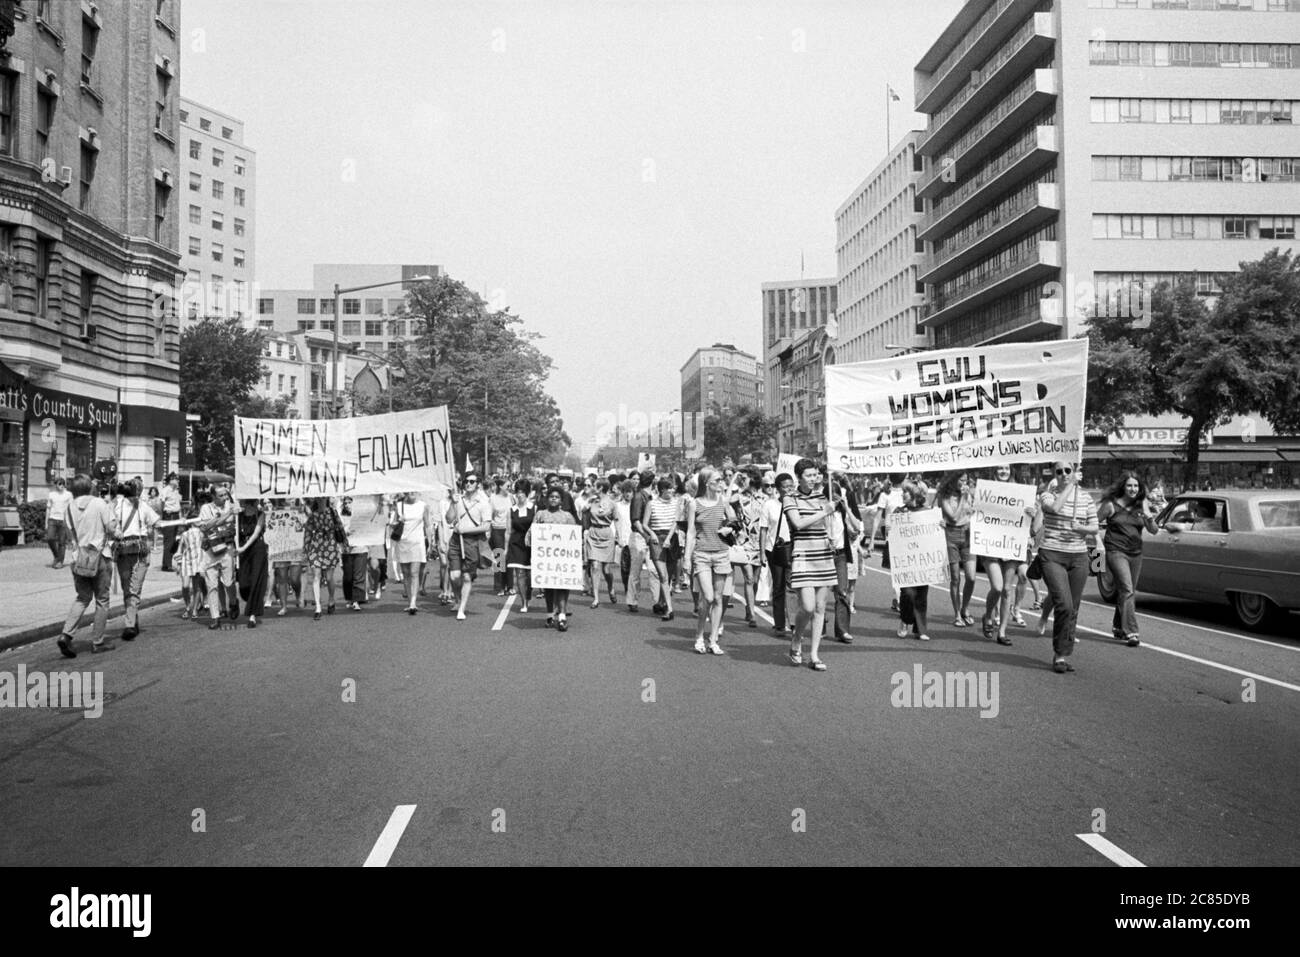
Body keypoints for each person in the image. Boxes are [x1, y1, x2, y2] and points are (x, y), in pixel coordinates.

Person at [1038, 460, 1100, 673]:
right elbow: (1054, 508)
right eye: (1059, 471)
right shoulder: (1048, 493)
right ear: (1054, 474)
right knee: (1063, 603)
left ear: (1073, 471)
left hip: (1078, 556)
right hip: (1052, 553)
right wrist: (1071, 485)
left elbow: (1095, 527)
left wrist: (1081, 528)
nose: (1064, 474)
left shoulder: (1085, 497)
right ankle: (1059, 647)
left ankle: (1061, 655)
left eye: (1068, 471)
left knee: (1073, 607)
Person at [783, 459, 838, 672]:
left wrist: (831, 535)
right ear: (799, 477)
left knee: (820, 607)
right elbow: (798, 523)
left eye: (815, 475)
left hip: (823, 554)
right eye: (808, 475)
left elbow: (826, 523)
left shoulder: (822, 496)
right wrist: (824, 511)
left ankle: (814, 654)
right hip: (803, 555)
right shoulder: (790, 498)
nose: (813, 479)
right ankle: (797, 639)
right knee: (806, 606)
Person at [57, 474, 120, 656]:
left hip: (79, 557)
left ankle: (66, 635)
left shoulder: (69, 507)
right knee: (102, 599)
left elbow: (69, 534)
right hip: (100, 556)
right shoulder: (100, 503)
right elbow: (111, 528)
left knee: (82, 597)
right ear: (89, 487)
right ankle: (97, 642)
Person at [1097, 471, 1161, 647]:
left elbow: (1154, 530)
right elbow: (1093, 523)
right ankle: (1132, 631)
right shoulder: (1111, 505)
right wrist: (1098, 545)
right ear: (1122, 487)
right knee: (1127, 589)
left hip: (1136, 553)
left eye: (1136, 486)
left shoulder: (1142, 504)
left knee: (1127, 591)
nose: (1133, 489)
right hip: (1115, 551)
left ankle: (1118, 626)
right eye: (1129, 485)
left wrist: (1148, 517)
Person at [684, 467, 733, 655]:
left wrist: (730, 528)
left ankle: (713, 640)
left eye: (721, 480)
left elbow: (735, 521)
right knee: (708, 597)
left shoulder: (724, 501)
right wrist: (687, 558)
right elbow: (690, 531)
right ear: (706, 483)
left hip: (721, 553)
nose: (721, 483)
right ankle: (698, 635)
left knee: (719, 598)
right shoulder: (695, 504)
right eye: (717, 480)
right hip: (702, 554)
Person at [112, 479, 159, 642]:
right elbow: (110, 525)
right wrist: (115, 532)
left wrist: (182, 522)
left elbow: (156, 522)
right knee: (127, 588)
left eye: (139, 492)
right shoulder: (117, 506)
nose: (137, 495)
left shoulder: (143, 506)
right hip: (124, 551)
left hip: (141, 551)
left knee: (134, 588)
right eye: (135, 492)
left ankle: (129, 625)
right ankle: (133, 619)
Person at [446, 472, 492, 621]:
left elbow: (486, 526)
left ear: (478, 484)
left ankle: (461, 608)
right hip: (456, 540)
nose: (468, 484)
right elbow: (449, 519)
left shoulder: (484, 503)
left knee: (466, 577)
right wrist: (453, 504)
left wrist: (466, 530)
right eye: (466, 481)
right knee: (454, 576)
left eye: (472, 481)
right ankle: (457, 598)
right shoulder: (458, 500)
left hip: (472, 542)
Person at [893, 480, 934, 641]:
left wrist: (940, 525)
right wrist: (889, 528)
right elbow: (890, 530)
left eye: (906, 492)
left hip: (923, 560)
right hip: (906, 560)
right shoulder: (899, 512)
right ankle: (905, 618)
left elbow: (934, 534)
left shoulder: (927, 512)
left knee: (921, 595)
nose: (903, 494)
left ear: (915, 495)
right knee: (908, 593)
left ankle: (920, 629)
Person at [534, 487, 578, 631]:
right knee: (548, 587)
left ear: (561, 500)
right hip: (545, 558)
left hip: (562, 559)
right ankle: (549, 615)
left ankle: (562, 617)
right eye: (551, 496)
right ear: (547, 499)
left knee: (562, 587)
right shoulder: (540, 515)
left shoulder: (567, 517)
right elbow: (532, 533)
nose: (553, 499)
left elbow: (574, 538)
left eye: (557, 497)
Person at [938, 472, 978, 628]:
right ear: (953, 480)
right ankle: (956, 614)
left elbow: (977, 511)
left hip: (968, 536)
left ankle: (965, 608)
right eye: (961, 480)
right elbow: (954, 517)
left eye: (966, 480)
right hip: (951, 535)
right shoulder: (945, 497)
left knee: (971, 577)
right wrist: (963, 497)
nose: (964, 483)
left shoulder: (970, 494)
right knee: (955, 578)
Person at [760, 472, 795, 637]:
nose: (789, 489)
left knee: (793, 587)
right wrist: (761, 553)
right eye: (785, 487)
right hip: (775, 549)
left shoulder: (797, 503)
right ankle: (780, 624)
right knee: (779, 586)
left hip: (794, 548)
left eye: (791, 486)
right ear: (778, 488)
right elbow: (763, 529)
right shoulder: (769, 505)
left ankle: (794, 622)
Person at [198, 486, 239, 630]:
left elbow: (232, 522)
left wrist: (226, 514)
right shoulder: (205, 508)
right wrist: (226, 515)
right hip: (210, 550)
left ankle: (233, 602)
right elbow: (205, 526)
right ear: (214, 497)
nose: (225, 497)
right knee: (212, 586)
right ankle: (215, 617)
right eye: (221, 495)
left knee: (228, 583)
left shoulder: (232, 506)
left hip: (227, 549)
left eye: (226, 494)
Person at [302, 497, 342, 621]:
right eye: (318, 498)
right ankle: (318, 607)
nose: (320, 500)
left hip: (330, 544)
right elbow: (308, 531)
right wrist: (306, 547)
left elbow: (340, 527)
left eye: (322, 497)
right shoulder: (313, 514)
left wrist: (344, 543)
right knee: (316, 576)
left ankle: (331, 599)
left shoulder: (332, 512)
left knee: (329, 577)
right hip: (316, 545)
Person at [626, 470, 660, 613]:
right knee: (636, 570)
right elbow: (636, 520)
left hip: (650, 536)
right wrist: (645, 535)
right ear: (652, 482)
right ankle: (632, 600)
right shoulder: (639, 496)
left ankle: (658, 601)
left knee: (654, 570)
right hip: (640, 536)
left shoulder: (651, 496)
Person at [646, 477, 680, 621]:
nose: (672, 491)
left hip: (671, 538)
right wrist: (652, 533)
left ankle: (661, 602)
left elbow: (675, 522)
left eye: (672, 488)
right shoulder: (651, 503)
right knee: (663, 576)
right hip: (656, 539)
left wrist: (668, 538)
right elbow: (645, 524)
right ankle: (670, 609)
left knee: (669, 575)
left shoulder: (676, 503)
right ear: (661, 490)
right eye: (669, 488)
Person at [391, 491, 429, 615]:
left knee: (414, 572)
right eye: (410, 491)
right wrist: (397, 521)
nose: (412, 493)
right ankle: (409, 602)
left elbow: (427, 525)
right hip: (403, 542)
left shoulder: (423, 505)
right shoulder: (399, 505)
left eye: (414, 491)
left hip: (417, 543)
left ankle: (413, 602)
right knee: (406, 573)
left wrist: (431, 541)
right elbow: (393, 525)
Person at [583, 479, 619, 608]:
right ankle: (596, 598)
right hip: (594, 533)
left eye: (594, 486)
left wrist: (618, 535)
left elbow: (617, 519)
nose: (592, 488)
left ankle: (611, 587)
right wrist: (589, 501)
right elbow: (583, 511)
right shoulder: (592, 501)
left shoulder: (612, 503)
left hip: (606, 534)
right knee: (595, 565)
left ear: (601, 488)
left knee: (606, 569)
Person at [235, 496, 268, 628]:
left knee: (255, 580)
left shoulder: (260, 514)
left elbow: (256, 533)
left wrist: (243, 547)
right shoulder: (239, 516)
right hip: (243, 550)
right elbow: (234, 533)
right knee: (243, 584)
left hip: (257, 548)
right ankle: (252, 602)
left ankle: (252, 615)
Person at [506, 479, 536, 612]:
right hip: (516, 543)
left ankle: (528, 592)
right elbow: (508, 531)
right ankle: (523, 602)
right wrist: (506, 549)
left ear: (527, 493)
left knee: (529, 574)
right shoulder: (511, 510)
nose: (520, 495)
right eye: (517, 492)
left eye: (522, 492)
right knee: (519, 573)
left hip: (531, 544)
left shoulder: (534, 508)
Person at [176, 499, 207, 620]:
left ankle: (194, 610)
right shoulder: (185, 534)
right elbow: (180, 549)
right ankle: (188, 606)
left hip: (198, 560)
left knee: (197, 587)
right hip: (186, 560)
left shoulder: (202, 533)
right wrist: (178, 563)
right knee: (185, 586)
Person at [339, 497, 370, 612]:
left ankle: (356, 600)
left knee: (358, 576)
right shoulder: (341, 516)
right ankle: (349, 598)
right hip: (346, 549)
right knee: (348, 577)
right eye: (345, 503)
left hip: (361, 548)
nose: (347, 505)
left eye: (349, 502)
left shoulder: (362, 515)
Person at [489, 478, 512, 596]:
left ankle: (510, 585)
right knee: (499, 557)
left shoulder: (511, 497)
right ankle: (499, 587)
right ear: (501, 486)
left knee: (508, 558)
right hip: (497, 530)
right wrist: (489, 533)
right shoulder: (492, 498)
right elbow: (490, 516)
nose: (509, 488)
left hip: (509, 530)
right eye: (507, 486)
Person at [46, 477, 73, 569]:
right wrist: (46, 521)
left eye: (62, 483)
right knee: (50, 538)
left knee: (62, 542)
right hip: (52, 519)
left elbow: (71, 508)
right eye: (59, 484)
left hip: (63, 520)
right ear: (55, 485)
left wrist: (70, 522)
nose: (61, 485)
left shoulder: (68, 494)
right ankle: (57, 556)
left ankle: (60, 561)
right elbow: (48, 508)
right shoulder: (51, 494)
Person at [158, 472, 182, 572]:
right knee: (169, 541)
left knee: (173, 541)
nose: (177, 481)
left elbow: (177, 505)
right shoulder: (166, 490)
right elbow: (161, 504)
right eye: (176, 479)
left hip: (176, 516)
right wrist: (161, 517)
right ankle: (167, 565)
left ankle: (168, 562)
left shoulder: (175, 491)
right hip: (169, 516)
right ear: (170, 480)